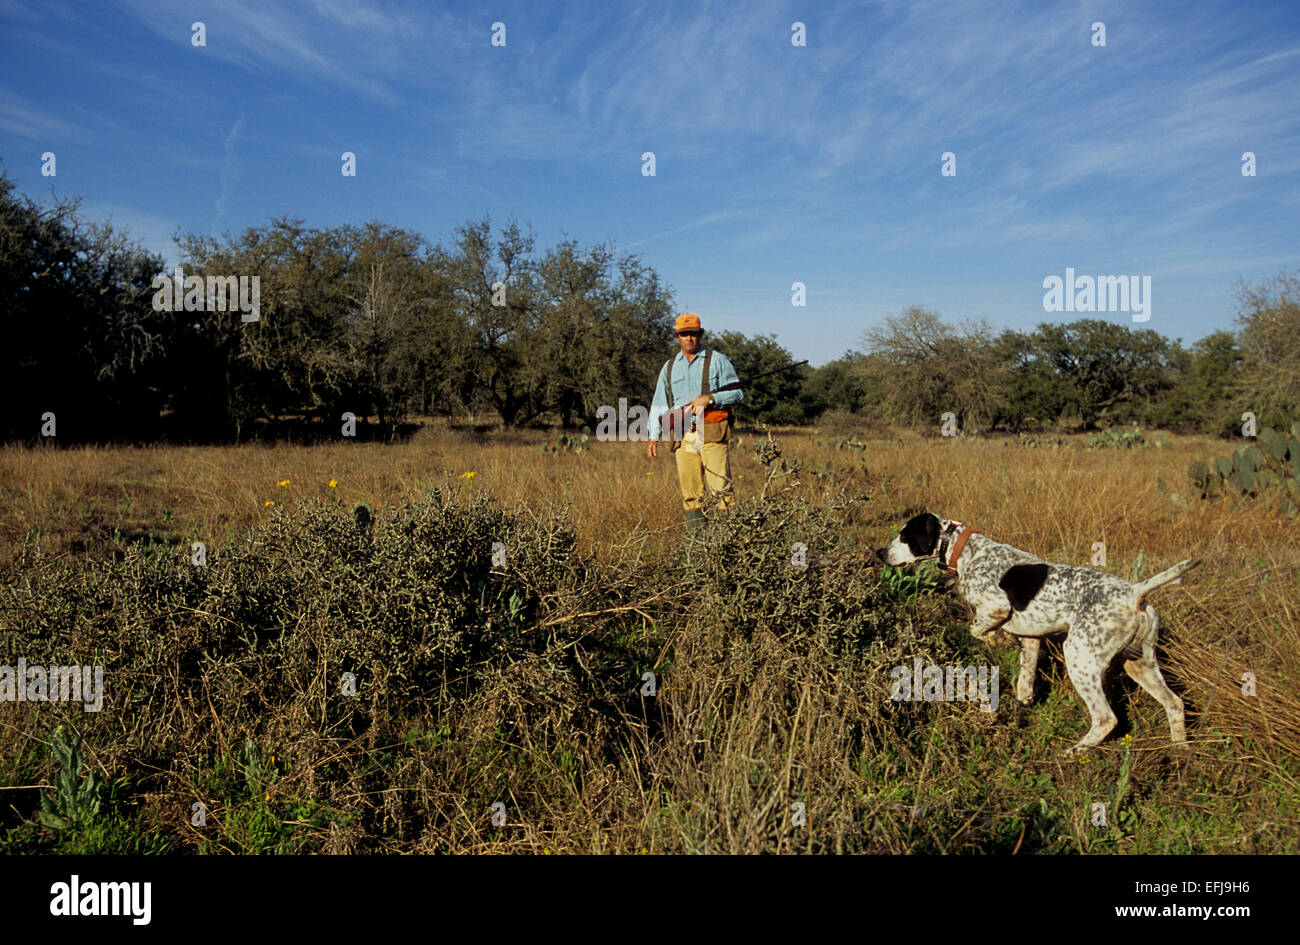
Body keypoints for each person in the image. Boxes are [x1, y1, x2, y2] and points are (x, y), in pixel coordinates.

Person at [645, 313, 743, 531]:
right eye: (684, 334)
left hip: (712, 432)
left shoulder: (718, 360)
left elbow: (738, 394)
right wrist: (653, 437)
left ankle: (729, 545)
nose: (689, 338)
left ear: (701, 335)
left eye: (693, 334)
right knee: (691, 495)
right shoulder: (669, 367)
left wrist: (710, 399)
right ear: (677, 337)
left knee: (722, 492)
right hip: (683, 435)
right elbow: (659, 404)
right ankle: (697, 549)